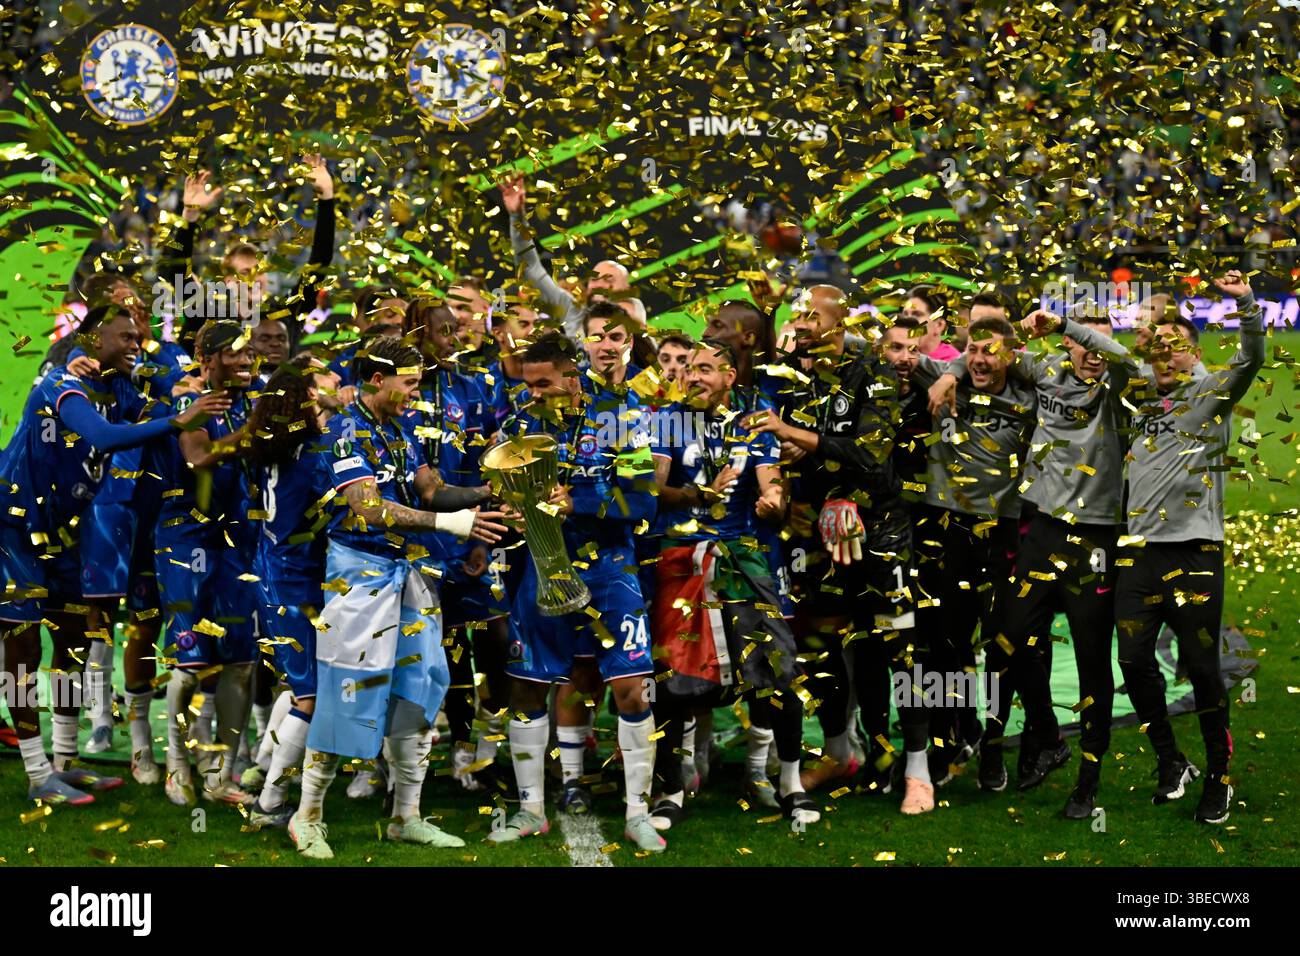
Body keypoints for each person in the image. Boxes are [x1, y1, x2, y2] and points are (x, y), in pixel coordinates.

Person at [287, 337, 507, 859]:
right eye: (407, 380)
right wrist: (452, 523)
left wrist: (490, 496)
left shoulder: (402, 429)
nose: (415, 390)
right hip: (358, 576)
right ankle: (306, 815)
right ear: (376, 379)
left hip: (412, 573)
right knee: (349, 690)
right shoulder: (343, 429)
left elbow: (431, 491)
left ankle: (406, 815)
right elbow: (365, 506)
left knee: (420, 688)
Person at [0, 305, 223, 804]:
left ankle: (65, 761)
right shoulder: (60, 382)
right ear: (94, 339)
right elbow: (102, 437)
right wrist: (175, 419)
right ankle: (37, 773)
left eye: (137, 337)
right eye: (123, 336)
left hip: (62, 532)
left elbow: (151, 411)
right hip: (12, 525)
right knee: (23, 651)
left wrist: (181, 400)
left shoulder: (120, 388)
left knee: (74, 640)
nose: (134, 343)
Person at [929, 304, 1140, 818]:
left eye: (1099, 344)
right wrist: (952, 373)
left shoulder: (1122, 388)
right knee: (1011, 633)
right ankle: (1045, 732)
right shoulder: (1044, 372)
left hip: (1096, 536)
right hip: (1043, 527)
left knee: (1092, 658)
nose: (1092, 355)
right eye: (1081, 346)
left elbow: (1126, 360)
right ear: (1064, 350)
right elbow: (987, 353)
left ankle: (1088, 780)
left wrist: (1072, 327)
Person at [747, 285, 933, 813]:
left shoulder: (871, 372)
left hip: (879, 529)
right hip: (812, 532)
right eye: (796, 315)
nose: (801, 324)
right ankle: (843, 752)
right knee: (826, 647)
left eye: (812, 315)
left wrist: (794, 436)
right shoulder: (785, 378)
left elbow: (873, 456)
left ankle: (917, 770)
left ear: (839, 321)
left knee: (898, 649)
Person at [485, 334, 665, 852]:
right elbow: (503, 489)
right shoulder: (521, 423)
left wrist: (579, 503)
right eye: (527, 383)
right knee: (525, 687)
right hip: (540, 569)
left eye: (543, 383)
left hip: (609, 572)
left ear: (571, 374)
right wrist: (513, 508)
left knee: (632, 688)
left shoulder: (621, 415)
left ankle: (638, 813)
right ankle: (530, 810)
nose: (534, 393)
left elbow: (645, 503)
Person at [648, 339, 819, 829]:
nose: (693, 376)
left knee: (779, 670)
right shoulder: (666, 422)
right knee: (674, 678)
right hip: (681, 558)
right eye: (689, 370)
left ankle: (790, 784)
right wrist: (698, 493)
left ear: (729, 377)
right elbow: (654, 488)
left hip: (744, 556)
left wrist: (774, 503)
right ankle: (672, 791)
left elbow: (772, 483)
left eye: (705, 369)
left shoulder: (755, 420)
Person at [1117, 272, 1263, 825]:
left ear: (1195, 354)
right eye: (1158, 349)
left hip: (1193, 554)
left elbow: (1251, 358)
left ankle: (1220, 775)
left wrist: (1245, 302)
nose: (1167, 358)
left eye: (1178, 348)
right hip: (1136, 554)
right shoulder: (1139, 400)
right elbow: (1112, 354)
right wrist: (1069, 330)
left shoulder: (1211, 393)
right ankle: (1171, 761)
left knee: (1202, 668)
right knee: (1132, 663)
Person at [906, 315, 1037, 789]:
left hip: (1000, 531)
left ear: (1011, 353)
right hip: (945, 526)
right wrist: (950, 371)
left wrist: (955, 370)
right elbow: (890, 350)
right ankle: (954, 738)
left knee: (1000, 646)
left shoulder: (1030, 396)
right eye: (972, 349)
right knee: (948, 643)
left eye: (990, 350)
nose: (980, 359)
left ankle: (995, 750)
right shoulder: (939, 376)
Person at [150, 321, 263, 808]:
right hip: (186, 538)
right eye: (234, 356)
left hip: (238, 540)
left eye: (248, 356)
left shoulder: (254, 401)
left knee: (239, 663)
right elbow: (198, 458)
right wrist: (256, 432)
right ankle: (177, 765)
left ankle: (220, 772)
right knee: (190, 664)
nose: (244, 363)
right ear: (207, 358)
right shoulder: (187, 404)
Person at [406, 300, 512, 793]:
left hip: (473, 536)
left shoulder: (475, 386)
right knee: (442, 652)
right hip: (417, 541)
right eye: (443, 331)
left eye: (457, 329)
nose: (454, 338)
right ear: (417, 334)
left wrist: (482, 535)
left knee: (495, 643)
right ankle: (455, 748)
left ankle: (483, 752)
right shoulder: (400, 395)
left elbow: (490, 460)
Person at [240, 355, 340, 827]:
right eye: (327, 374)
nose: (338, 377)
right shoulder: (317, 452)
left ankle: (262, 768)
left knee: (300, 684)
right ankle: (271, 803)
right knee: (313, 696)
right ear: (306, 394)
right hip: (294, 581)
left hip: (273, 571)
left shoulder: (281, 443)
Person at [500, 175, 631, 343]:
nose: (599, 285)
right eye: (594, 280)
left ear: (626, 288)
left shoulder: (640, 332)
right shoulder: (573, 313)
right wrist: (517, 217)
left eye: (609, 279)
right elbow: (530, 269)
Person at [903, 284, 961, 360]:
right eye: (905, 314)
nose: (906, 321)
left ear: (939, 325)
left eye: (917, 314)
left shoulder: (953, 365)